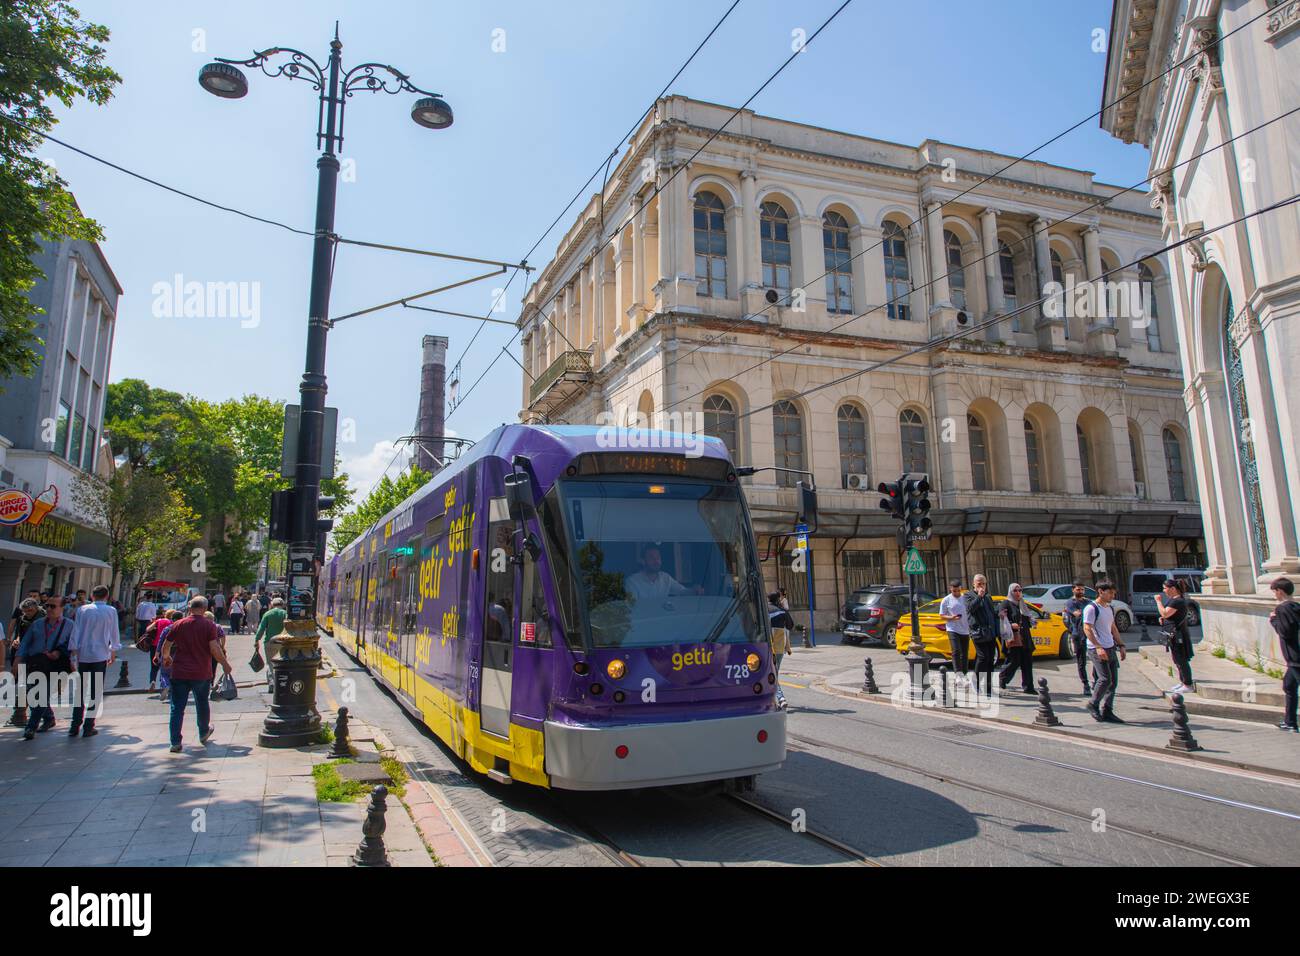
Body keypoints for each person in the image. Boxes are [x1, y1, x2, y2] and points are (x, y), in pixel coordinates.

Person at [160, 597, 231, 752]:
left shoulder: (179, 624)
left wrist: (166, 657)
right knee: (202, 703)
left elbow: (167, 644)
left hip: (179, 671)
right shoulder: (209, 625)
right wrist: (225, 664)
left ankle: (175, 741)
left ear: (190, 608)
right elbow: (214, 648)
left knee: (177, 707)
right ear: (206, 608)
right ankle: (203, 731)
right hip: (201, 671)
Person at [67, 585, 120, 738]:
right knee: (95, 692)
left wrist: (73, 653)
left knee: (80, 691)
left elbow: (76, 631)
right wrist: (113, 651)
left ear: (92, 595)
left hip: (83, 655)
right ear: (107, 596)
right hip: (100, 655)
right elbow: (114, 633)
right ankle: (89, 726)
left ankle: (74, 725)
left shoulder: (83, 610)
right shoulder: (111, 611)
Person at [17, 596, 73, 739]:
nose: (48, 609)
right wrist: (17, 661)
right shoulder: (37, 624)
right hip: (35, 663)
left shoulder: (70, 625)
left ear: (62, 608)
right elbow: (25, 643)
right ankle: (49, 718)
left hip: (55, 665)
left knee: (42, 695)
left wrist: (60, 652)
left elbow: (73, 645)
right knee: (33, 693)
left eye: (53, 606)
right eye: (47, 605)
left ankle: (31, 727)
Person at [1084, 580, 1127, 723]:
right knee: (1104, 679)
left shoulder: (1109, 608)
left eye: (1113, 593)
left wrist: (1121, 645)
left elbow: (1113, 627)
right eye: (1110, 593)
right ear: (1100, 592)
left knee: (1113, 682)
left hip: (1110, 647)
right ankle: (1093, 704)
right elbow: (1087, 628)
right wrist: (1097, 647)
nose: (1112, 596)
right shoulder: (1091, 608)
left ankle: (1107, 710)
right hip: (1097, 649)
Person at [1269, 577, 1300, 733]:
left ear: (1279, 591)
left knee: (1290, 687)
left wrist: (1273, 620)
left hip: (1295, 658)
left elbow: (1285, 632)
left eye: (1274, 591)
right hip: (1294, 659)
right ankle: (1290, 722)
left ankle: (1291, 722)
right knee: (1288, 686)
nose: (1274, 594)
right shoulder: (1296, 606)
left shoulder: (1282, 609)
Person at [1155, 577, 1195, 694]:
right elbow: (1168, 615)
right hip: (1173, 634)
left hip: (1178, 635)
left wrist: (1158, 601)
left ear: (1172, 588)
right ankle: (1183, 681)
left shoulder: (1177, 601)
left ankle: (1188, 684)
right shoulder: (1174, 600)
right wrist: (1163, 619)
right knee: (1176, 659)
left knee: (1181, 659)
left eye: (1165, 588)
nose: (1163, 591)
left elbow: (1165, 612)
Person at [623, 544, 699, 605]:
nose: (656, 560)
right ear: (643, 561)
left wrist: (694, 591)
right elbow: (631, 608)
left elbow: (682, 591)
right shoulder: (632, 582)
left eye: (658, 557)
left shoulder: (665, 577)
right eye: (651, 557)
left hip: (663, 620)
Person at [7, 597, 41, 727]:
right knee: (23, 685)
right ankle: (19, 715)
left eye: (30, 611)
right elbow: (22, 634)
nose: (28, 613)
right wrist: (17, 639)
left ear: (36, 609)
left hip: (37, 657)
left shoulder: (42, 619)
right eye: (25, 611)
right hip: (24, 654)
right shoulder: (23, 618)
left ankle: (23, 715)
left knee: (33, 687)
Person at [997, 583, 1036, 694]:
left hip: (1025, 636)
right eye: (1015, 590)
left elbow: (1027, 616)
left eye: (1020, 590)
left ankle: (1028, 687)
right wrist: (1010, 624)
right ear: (1010, 592)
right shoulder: (1006, 604)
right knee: (1014, 661)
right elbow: (1001, 618)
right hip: (1013, 637)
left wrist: (1032, 620)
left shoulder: (1022, 604)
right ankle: (1003, 678)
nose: (1018, 593)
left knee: (1027, 662)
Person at [964, 574, 998, 697]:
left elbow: (992, 613)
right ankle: (975, 682)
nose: (981, 586)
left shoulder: (988, 597)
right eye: (979, 584)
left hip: (990, 632)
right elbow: (970, 609)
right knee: (983, 657)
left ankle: (988, 687)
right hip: (978, 632)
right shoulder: (968, 596)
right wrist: (979, 596)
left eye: (983, 583)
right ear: (974, 584)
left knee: (990, 660)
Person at [939, 579, 970, 682]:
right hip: (952, 628)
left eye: (958, 591)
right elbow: (941, 616)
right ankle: (958, 673)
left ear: (961, 589)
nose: (956, 593)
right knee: (956, 650)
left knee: (964, 653)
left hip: (965, 629)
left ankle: (964, 674)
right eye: (954, 591)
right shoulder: (946, 600)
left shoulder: (965, 598)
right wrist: (952, 618)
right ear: (950, 589)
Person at [1063, 581, 1091, 695]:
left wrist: (1084, 612)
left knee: (1097, 658)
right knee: (1081, 661)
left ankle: (1095, 680)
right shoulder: (1070, 602)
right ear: (1073, 590)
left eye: (1082, 590)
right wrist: (1086, 612)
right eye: (1078, 589)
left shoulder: (1088, 601)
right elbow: (1077, 614)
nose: (1081, 591)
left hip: (1089, 633)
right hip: (1077, 634)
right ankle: (1086, 684)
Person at [255, 597, 288, 689]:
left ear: (272, 604)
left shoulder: (267, 614)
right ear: (283, 605)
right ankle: (281, 682)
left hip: (270, 642)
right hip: (283, 642)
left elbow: (261, 628)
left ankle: (271, 683)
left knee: (270, 664)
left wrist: (257, 640)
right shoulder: (285, 614)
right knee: (283, 664)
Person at [768, 592, 794, 709]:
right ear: (778, 599)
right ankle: (775, 699)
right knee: (774, 672)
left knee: (772, 674)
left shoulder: (764, 611)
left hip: (767, 647)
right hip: (780, 648)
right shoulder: (783, 611)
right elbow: (790, 625)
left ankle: (780, 698)